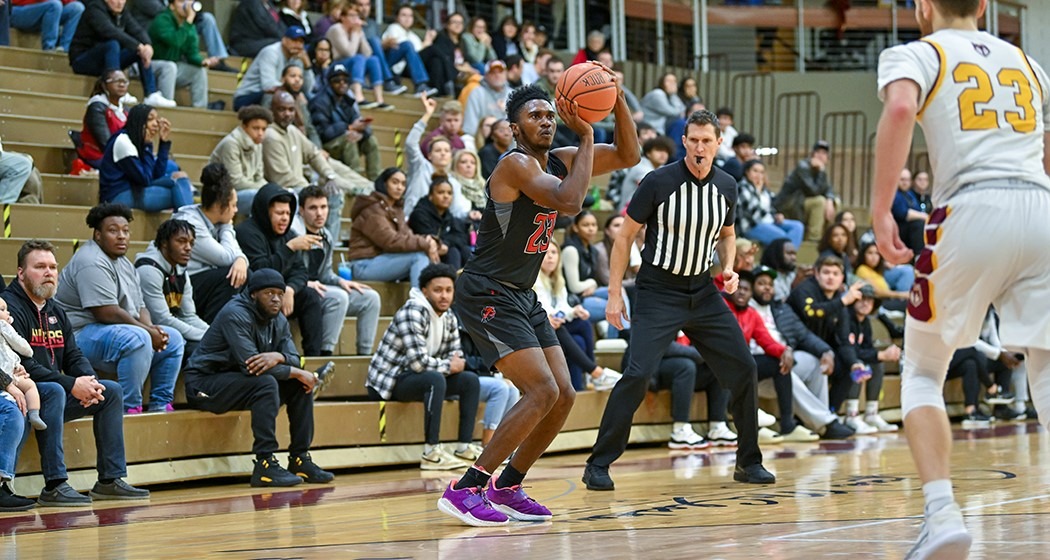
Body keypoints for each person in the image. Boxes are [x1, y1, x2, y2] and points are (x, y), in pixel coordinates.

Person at [872, 0, 1050, 556]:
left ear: (924, 6)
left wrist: (881, 210)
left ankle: (942, 512)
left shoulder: (917, 53)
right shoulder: (1027, 62)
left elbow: (901, 109)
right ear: (981, 5)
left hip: (971, 209)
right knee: (1045, 370)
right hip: (1040, 208)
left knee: (923, 369)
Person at [439, 73, 638, 526]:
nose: (546, 121)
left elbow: (629, 155)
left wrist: (617, 99)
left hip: (521, 294)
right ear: (515, 127)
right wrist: (587, 133)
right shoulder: (515, 165)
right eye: (536, 116)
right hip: (486, 289)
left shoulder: (563, 159)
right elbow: (569, 203)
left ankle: (508, 485)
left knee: (565, 394)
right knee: (541, 389)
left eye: (551, 114)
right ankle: (466, 487)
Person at [585, 108, 775, 493]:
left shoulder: (727, 185)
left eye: (708, 140)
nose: (700, 147)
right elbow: (624, 237)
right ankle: (598, 463)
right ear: (684, 142)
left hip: (703, 291)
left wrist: (728, 268)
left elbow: (726, 233)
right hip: (657, 290)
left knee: (743, 367)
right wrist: (616, 293)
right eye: (694, 140)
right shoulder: (658, 181)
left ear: (718, 144)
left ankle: (748, 462)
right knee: (637, 374)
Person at [8, 239, 150, 506]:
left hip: (55, 393)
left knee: (111, 391)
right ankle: (55, 484)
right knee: (53, 391)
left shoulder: (55, 309)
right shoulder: (10, 308)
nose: (48, 272)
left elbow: (73, 355)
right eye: (39, 267)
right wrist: (72, 383)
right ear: (21, 273)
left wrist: (89, 382)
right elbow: (21, 364)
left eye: (52, 267)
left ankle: (110, 480)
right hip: (22, 395)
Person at [184, 268, 335, 487]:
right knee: (267, 383)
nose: (276, 299)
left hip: (237, 382)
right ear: (253, 293)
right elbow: (251, 367)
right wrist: (297, 370)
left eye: (280, 293)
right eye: (269, 293)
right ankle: (265, 464)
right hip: (204, 385)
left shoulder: (278, 319)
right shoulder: (234, 313)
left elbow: (292, 357)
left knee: (299, 384)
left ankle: (300, 458)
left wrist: (279, 356)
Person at [55, 203, 186, 413]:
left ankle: (161, 404)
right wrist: (146, 332)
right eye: (113, 230)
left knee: (174, 339)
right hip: (77, 335)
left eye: (125, 231)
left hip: (109, 331)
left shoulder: (124, 262)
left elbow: (140, 305)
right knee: (137, 339)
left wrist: (152, 329)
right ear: (98, 235)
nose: (121, 236)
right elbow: (106, 312)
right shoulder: (91, 260)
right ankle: (129, 407)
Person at [367, 263, 484, 470]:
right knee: (435, 379)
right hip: (390, 381)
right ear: (424, 291)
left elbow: (455, 355)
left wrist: (451, 364)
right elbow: (419, 363)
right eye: (437, 290)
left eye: (448, 290)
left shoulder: (448, 316)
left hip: (421, 376)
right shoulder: (413, 311)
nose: (444, 296)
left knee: (469, 380)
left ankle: (464, 446)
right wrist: (449, 365)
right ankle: (431, 453)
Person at [749, 265, 856, 439]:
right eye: (761, 283)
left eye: (770, 284)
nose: (767, 287)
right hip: (759, 372)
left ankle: (818, 421)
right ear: (751, 286)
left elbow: (804, 334)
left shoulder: (780, 309)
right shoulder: (745, 308)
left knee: (814, 361)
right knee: (783, 366)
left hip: (782, 363)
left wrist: (825, 352)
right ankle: (826, 423)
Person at [264, 91, 371, 240]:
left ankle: (328, 244)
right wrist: (311, 191)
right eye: (282, 109)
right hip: (285, 191)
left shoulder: (293, 131)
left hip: (300, 186)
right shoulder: (270, 136)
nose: (287, 114)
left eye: (291, 109)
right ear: (272, 111)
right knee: (326, 197)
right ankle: (321, 240)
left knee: (334, 190)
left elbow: (314, 154)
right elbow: (283, 177)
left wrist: (329, 176)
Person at [236, 182, 325, 357]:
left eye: (288, 213)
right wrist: (289, 248)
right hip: (255, 298)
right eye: (279, 213)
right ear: (265, 212)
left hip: (282, 292)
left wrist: (290, 289)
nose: (285, 218)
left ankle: (314, 358)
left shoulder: (288, 234)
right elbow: (260, 272)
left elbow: (301, 271)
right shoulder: (246, 232)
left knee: (310, 296)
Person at [293, 185, 380, 356]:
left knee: (370, 298)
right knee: (338, 297)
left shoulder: (326, 236)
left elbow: (325, 274)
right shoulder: (294, 235)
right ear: (301, 211)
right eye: (313, 208)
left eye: (323, 207)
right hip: (301, 291)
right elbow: (288, 272)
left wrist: (341, 281)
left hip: (321, 289)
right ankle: (325, 354)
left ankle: (365, 356)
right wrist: (306, 283)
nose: (320, 213)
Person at [533, 240, 621, 391]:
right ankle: (595, 372)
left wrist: (574, 311)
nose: (550, 257)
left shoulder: (558, 279)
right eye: (545, 253)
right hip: (538, 328)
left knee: (580, 332)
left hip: (555, 324)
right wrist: (554, 316)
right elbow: (541, 309)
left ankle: (581, 384)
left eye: (554, 253)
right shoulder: (534, 278)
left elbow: (562, 307)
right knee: (562, 329)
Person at [172, 163, 249, 324]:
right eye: (233, 205)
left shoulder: (216, 221)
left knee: (249, 276)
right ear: (220, 206)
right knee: (229, 277)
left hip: (201, 282)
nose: (235, 211)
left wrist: (241, 260)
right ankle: (213, 336)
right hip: (178, 286)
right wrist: (228, 226)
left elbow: (235, 255)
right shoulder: (190, 223)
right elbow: (226, 257)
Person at [68, 0, 175, 109]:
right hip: (82, 60)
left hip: (106, 61)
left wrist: (147, 45)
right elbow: (110, 31)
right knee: (112, 43)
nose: (120, 3)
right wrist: (138, 45)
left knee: (138, 52)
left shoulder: (123, 12)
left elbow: (137, 30)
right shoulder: (95, 9)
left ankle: (151, 94)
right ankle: (116, 88)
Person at [134, 218, 209, 361]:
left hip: (173, 331)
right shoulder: (149, 270)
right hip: (149, 334)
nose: (188, 248)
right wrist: (208, 337)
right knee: (203, 353)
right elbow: (162, 320)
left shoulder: (180, 268)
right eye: (181, 241)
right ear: (164, 243)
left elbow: (189, 315)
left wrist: (214, 333)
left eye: (191, 243)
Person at [348, 167, 438, 287]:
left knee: (424, 256)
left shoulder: (396, 209)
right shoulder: (372, 210)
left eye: (403, 184)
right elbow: (390, 241)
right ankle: (418, 301)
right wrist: (425, 243)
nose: (399, 187)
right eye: (395, 182)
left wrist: (431, 242)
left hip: (384, 260)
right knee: (418, 257)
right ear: (384, 184)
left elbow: (408, 237)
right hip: (363, 265)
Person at [98, 103, 194, 212]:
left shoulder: (137, 140)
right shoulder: (123, 141)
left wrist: (163, 143)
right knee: (179, 193)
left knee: (181, 178)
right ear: (138, 122)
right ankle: (191, 225)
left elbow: (157, 174)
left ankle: (189, 224)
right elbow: (145, 179)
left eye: (157, 120)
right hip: (116, 197)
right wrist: (148, 146)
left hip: (134, 190)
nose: (155, 124)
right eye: (150, 119)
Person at [309, 63, 381, 180]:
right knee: (349, 139)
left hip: (344, 139)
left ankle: (375, 181)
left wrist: (362, 131)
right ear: (329, 83)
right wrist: (349, 127)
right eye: (337, 80)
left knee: (371, 141)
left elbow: (359, 123)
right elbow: (324, 133)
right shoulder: (320, 102)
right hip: (327, 146)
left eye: (345, 80)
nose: (342, 83)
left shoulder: (348, 101)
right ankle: (356, 183)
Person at [129, 0, 233, 71]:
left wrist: (193, 12)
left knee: (207, 18)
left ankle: (218, 60)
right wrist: (186, 13)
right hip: (154, 32)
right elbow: (162, 12)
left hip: (178, 24)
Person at [325, 4, 393, 111]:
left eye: (357, 16)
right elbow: (349, 53)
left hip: (352, 63)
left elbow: (368, 53)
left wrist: (360, 34)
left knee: (373, 60)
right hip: (336, 65)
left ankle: (379, 99)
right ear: (343, 17)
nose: (355, 19)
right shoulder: (336, 29)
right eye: (351, 16)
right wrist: (356, 34)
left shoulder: (356, 31)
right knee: (359, 58)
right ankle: (358, 96)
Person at [233, 26, 315, 110]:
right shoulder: (271, 52)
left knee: (310, 98)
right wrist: (295, 94)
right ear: (284, 40)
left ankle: (304, 123)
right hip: (247, 97)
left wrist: (307, 66)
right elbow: (268, 86)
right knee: (273, 95)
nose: (298, 45)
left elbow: (307, 89)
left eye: (301, 42)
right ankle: (268, 122)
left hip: (278, 94)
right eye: (294, 40)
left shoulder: (297, 57)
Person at [209, 105, 271, 217]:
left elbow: (259, 177)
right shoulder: (230, 144)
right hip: (223, 195)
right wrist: (266, 190)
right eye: (256, 128)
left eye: (264, 129)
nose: (260, 133)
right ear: (244, 127)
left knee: (283, 196)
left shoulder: (257, 144)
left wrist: (273, 190)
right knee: (260, 197)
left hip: (246, 191)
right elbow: (236, 182)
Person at [147, 0, 210, 109]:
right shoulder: (162, 20)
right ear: (172, 6)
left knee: (198, 72)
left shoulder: (188, 26)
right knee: (170, 66)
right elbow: (175, 41)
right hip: (149, 66)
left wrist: (201, 61)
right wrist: (189, 20)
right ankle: (167, 106)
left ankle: (200, 109)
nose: (187, 5)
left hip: (171, 68)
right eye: (181, 1)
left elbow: (191, 53)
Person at [775, 140, 837, 241]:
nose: (821, 156)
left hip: (802, 203)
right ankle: (813, 238)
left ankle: (827, 237)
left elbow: (828, 188)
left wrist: (830, 200)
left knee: (835, 202)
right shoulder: (803, 167)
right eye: (818, 152)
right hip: (790, 204)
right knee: (820, 202)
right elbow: (813, 191)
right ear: (812, 155)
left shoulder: (820, 170)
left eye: (824, 153)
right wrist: (821, 171)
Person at [736, 160, 805, 249]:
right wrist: (758, 192)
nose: (758, 175)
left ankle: (787, 255)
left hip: (769, 222)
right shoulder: (742, 188)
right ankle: (786, 256)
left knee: (798, 226)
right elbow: (753, 215)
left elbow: (771, 207)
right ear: (747, 172)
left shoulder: (764, 190)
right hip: (751, 226)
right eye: (755, 171)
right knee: (782, 238)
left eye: (761, 172)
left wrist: (776, 215)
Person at [372, 2, 436, 97]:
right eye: (403, 15)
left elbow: (416, 54)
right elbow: (401, 46)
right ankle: (420, 84)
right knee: (407, 45)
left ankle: (422, 85)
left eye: (410, 16)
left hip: (403, 67)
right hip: (389, 64)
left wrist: (427, 42)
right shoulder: (393, 27)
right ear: (397, 17)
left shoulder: (413, 36)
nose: (407, 18)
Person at [409, 177, 472, 270]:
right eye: (441, 192)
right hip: (424, 255)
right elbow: (431, 237)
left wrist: (446, 243)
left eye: (449, 193)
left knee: (466, 250)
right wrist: (447, 242)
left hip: (444, 252)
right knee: (453, 251)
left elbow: (461, 237)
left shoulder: (448, 215)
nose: (446, 196)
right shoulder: (419, 215)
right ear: (430, 196)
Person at [0, 296, 43, 430]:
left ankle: (33, 415)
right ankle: (34, 413)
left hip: (11, 372)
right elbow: (25, 349)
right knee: (30, 387)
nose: (8, 313)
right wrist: (8, 327)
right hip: (8, 374)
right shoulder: (3, 326)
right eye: (2, 310)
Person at [75, 69, 131, 170]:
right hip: (98, 156)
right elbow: (105, 142)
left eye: (124, 82)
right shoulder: (97, 107)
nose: (122, 84)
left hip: (121, 154)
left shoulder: (126, 110)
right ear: (105, 85)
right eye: (117, 81)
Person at [619, 135, 675, 212]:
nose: (663, 154)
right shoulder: (640, 167)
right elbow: (657, 187)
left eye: (666, 151)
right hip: (628, 212)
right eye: (658, 150)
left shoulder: (662, 168)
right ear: (648, 153)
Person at [10, 0, 83, 52]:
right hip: (17, 10)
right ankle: (49, 49)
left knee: (77, 8)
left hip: (44, 9)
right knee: (54, 5)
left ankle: (64, 50)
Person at [891, 167, 929, 257]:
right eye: (902, 179)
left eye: (907, 180)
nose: (905, 182)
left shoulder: (910, 194)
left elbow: (917, 210)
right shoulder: (895, 194)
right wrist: (924, 216)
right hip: (899, 229)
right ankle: (919, 255)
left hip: (910, 231)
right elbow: (903, 214)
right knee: (919, 224)